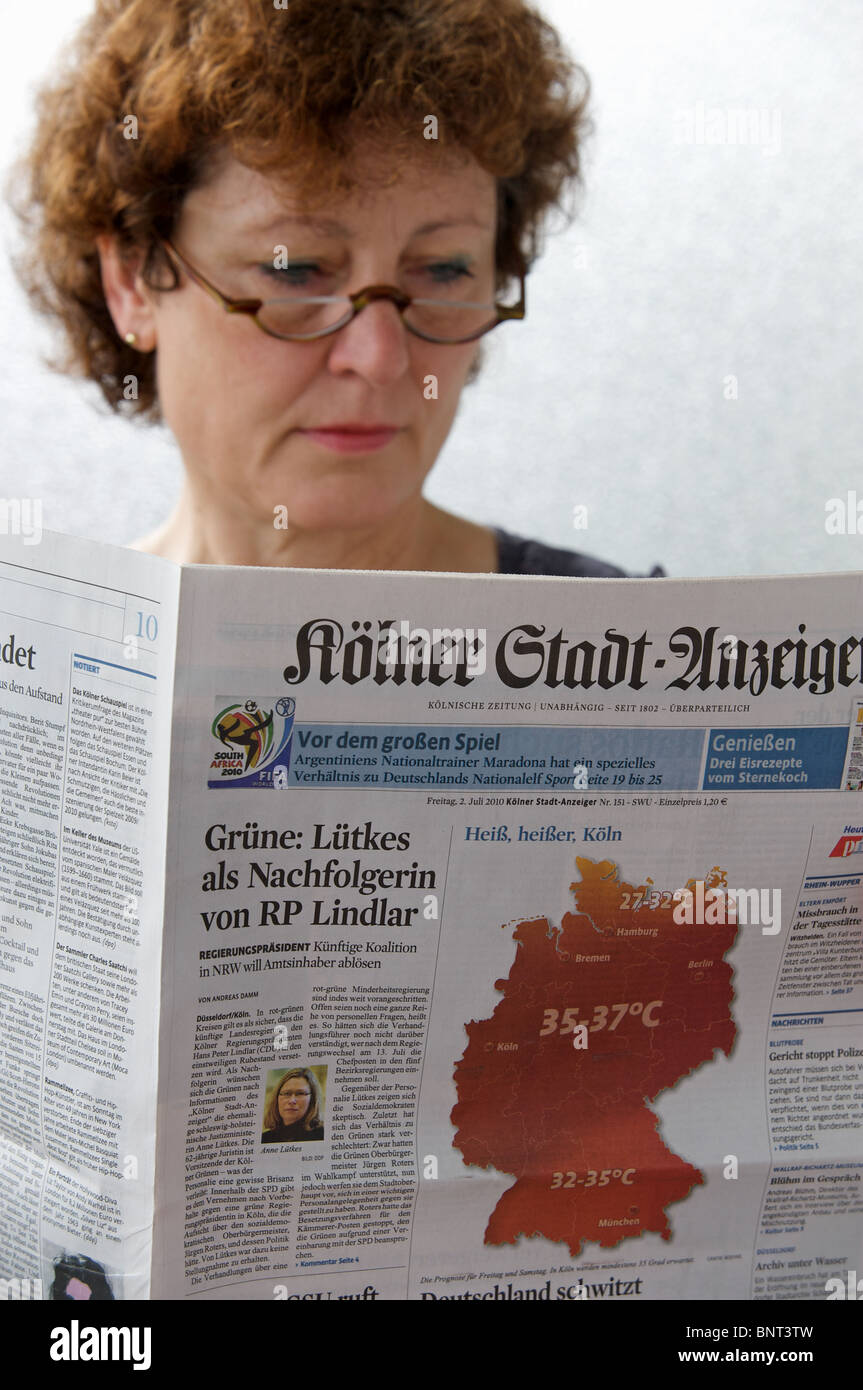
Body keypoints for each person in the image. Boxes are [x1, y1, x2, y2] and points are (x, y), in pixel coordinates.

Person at [7, 0, 663, 581]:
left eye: (441, 270)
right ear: (132, 283)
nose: (381, 357)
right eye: (294, 270)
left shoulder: (641, 659)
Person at [262, 1068, 325, 1144]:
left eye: (300, 1093)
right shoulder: (265, 1139)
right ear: (276, 1098)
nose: (292, 1101)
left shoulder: (321, 1135)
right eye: (286, 1093)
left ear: (313, 1099)